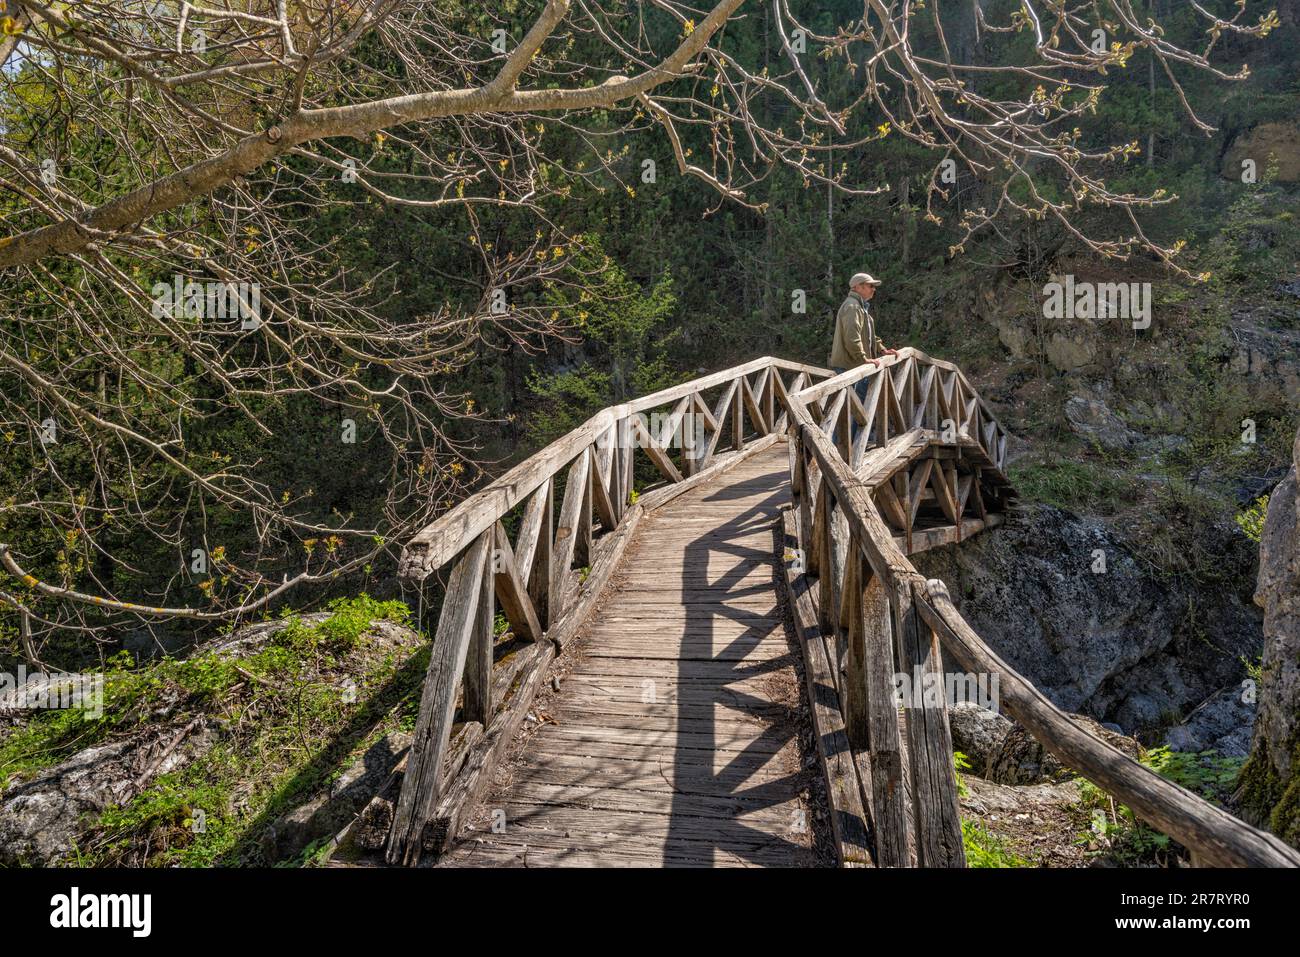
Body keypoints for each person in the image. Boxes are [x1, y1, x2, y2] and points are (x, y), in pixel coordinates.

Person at [829, 272, 897, 436]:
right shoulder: (852, 307)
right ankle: (843, 452)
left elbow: (868, 334)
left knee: (853, 411)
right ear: (857, 287)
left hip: (855, 365)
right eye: (870, 286)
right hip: (850, 367)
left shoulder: (859, 307)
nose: (874, 289)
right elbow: (852, 338)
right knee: (851, 412)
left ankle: (847, 451)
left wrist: (882, 349)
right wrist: (863, 358)